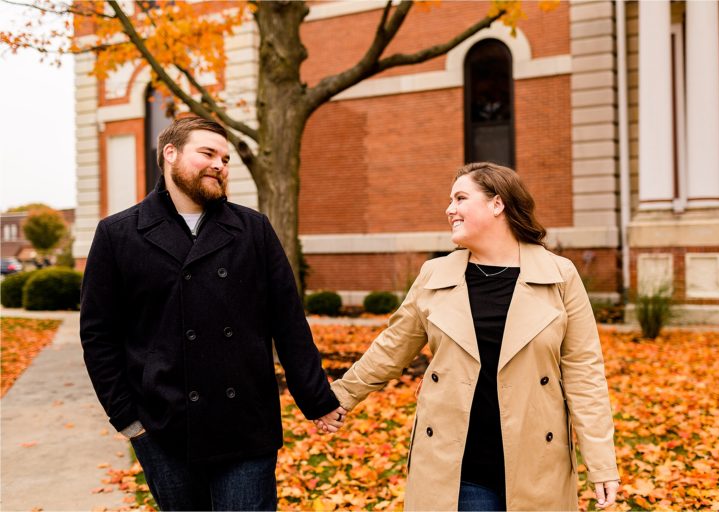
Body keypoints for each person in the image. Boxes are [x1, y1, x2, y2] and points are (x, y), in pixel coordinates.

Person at [80, 116, 345, 511]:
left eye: (224, 158)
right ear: (170, 154)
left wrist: (316, 398)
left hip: (246, 423)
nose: (219, 164)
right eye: (207, 153)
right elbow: (99, 335)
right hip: (164, 427)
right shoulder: (119, 234)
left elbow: (287, 319)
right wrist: (129, 420)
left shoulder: (252, 229)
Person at [323, 162, 620, 511]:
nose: (450, 209)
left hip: (538, 466)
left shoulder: (559, 276)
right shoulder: (435, 275)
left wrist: (601, 462)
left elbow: (585, 374)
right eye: (450, 200)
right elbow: (391, 349)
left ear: (498, 204)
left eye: (461, 198)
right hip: (458, 469)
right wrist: (338, 396)